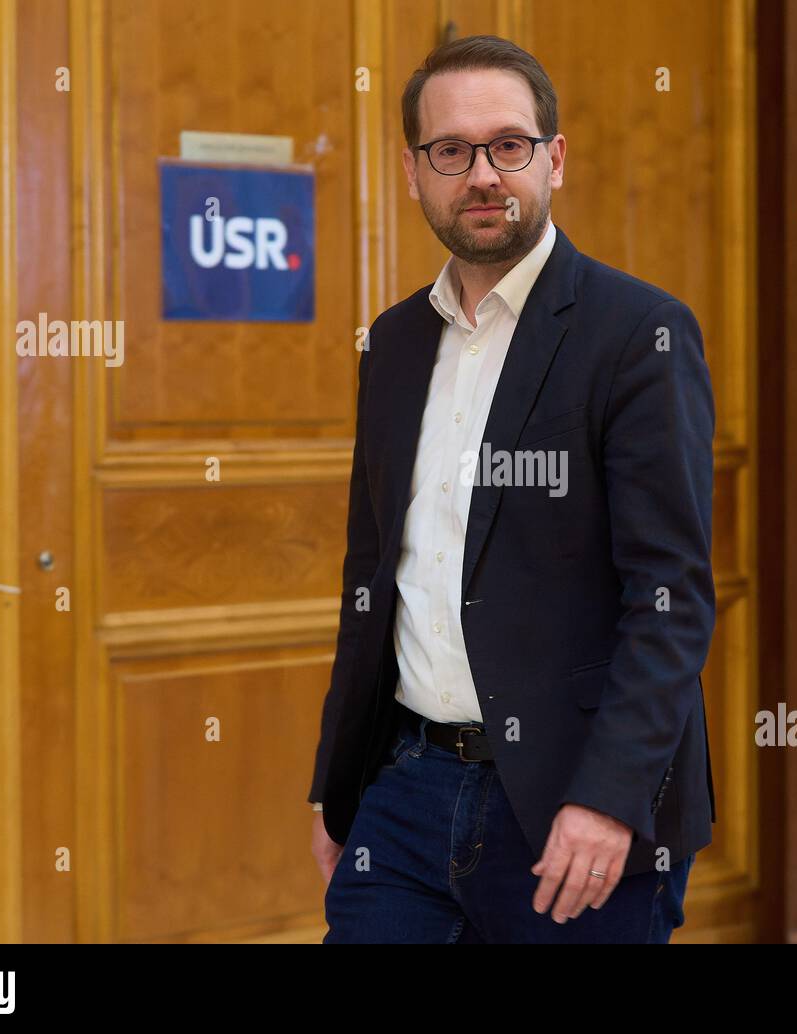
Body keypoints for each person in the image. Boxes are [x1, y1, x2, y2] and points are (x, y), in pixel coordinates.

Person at [308, 34, 716, 943]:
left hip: (569, 810)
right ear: (415, 172)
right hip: (404, 793)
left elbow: (671, 598)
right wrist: (339, 790)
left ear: (553, 158)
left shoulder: (639, 334)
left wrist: (608, 800)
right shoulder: (394, 343)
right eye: (451, 151)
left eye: (509, 145)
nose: (483, 174)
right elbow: (372, 574)